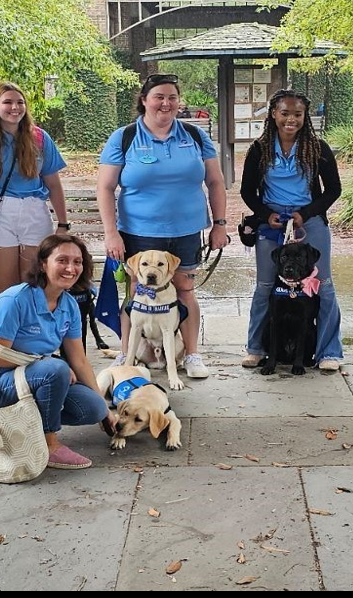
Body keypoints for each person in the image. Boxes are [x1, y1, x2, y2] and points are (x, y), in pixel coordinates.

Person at [97, 73, 228, 379]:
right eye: (159, 97)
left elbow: (216, 181)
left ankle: (192, 354)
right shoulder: (125, 137)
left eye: (172, 97)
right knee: (136, 293)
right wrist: (110, 232)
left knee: (185, 289)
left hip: (186, 231)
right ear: (144, 100)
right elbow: (104, 188)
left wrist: (219, 224)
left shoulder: (195, 137)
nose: (166, 103)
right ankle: (126, 353)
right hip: (139, 231)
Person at [0, 234, 116, 470]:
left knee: (92, 407)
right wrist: (49, 363)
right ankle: (49, 444)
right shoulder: (14, 300)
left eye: (77, 262)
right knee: (55, 369)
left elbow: (79, 360)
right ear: (43, 264)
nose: (71, 268)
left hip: (30, 379)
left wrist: (106, 412)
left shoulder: (69, 304)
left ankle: (23, 425)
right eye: (62, 260)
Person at [239, 88, 343, 371]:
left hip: (307, 218)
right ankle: (256, 348)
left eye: (297, 114)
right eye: (285, 113)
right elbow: (247, 191)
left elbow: (334, 189)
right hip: (272, 220)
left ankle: (328, 352)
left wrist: (305, 213)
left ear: (304, 116)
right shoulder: (259, 150)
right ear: (273, 114)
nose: (291, 120)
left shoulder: (317, 148)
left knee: (323, 285)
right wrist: (266, 214)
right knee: (264, 285)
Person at [0, 82, 68, 296]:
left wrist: (63, 224)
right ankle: (5, 330)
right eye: (7, 102)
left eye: (20, 102)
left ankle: (34, 329)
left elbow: (54, 184)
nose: (15, 107)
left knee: (35, 285)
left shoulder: (39, 137)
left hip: (34, 211)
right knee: (6, 288)